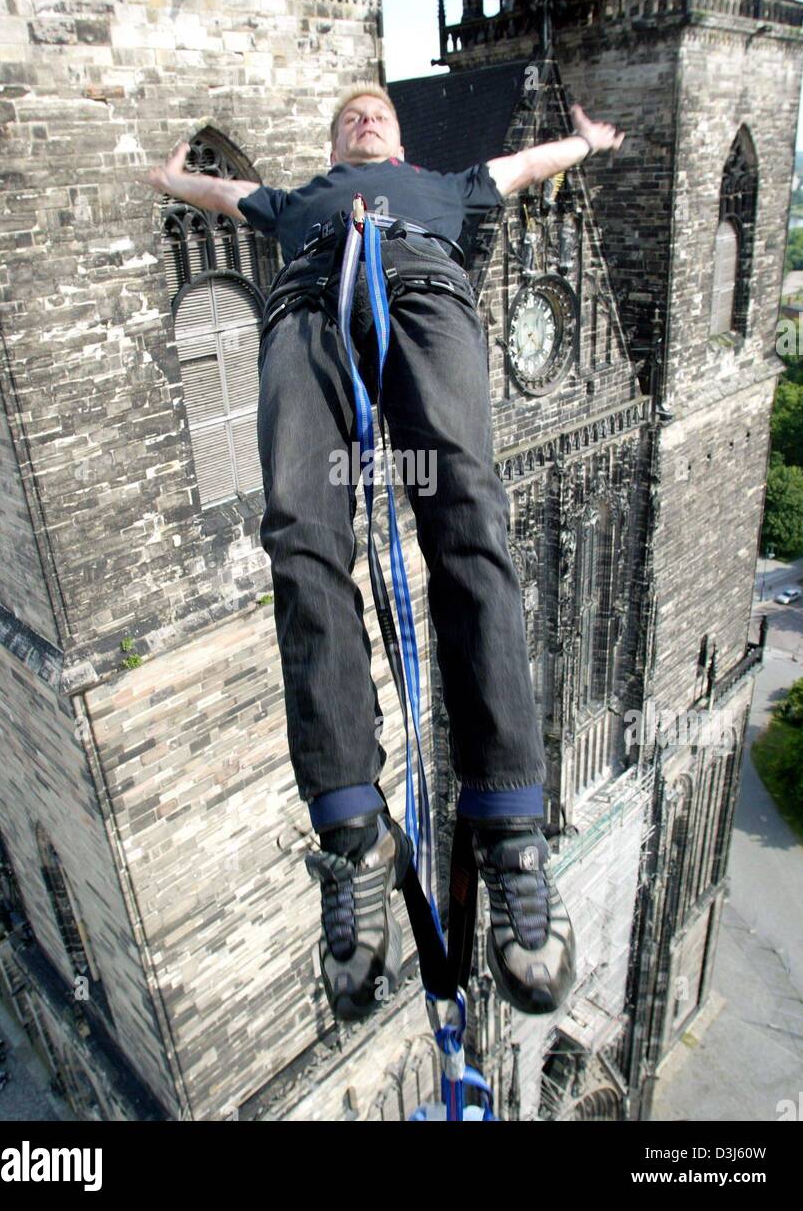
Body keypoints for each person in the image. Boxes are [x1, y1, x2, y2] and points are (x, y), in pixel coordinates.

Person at [143, 84, 625, 1022]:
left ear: (396, 141)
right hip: (305, 317)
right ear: (333, 145)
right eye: (351, 117)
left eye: (377, 114)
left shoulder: (443, 188)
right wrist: (170, 177)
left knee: (468, 517)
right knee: (298, 534)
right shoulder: (294, 204)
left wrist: (583, 145)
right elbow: (222, 197)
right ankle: (353, 832)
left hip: (425, 295)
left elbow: (521, 170)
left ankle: (510, 829)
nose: (367, 119)